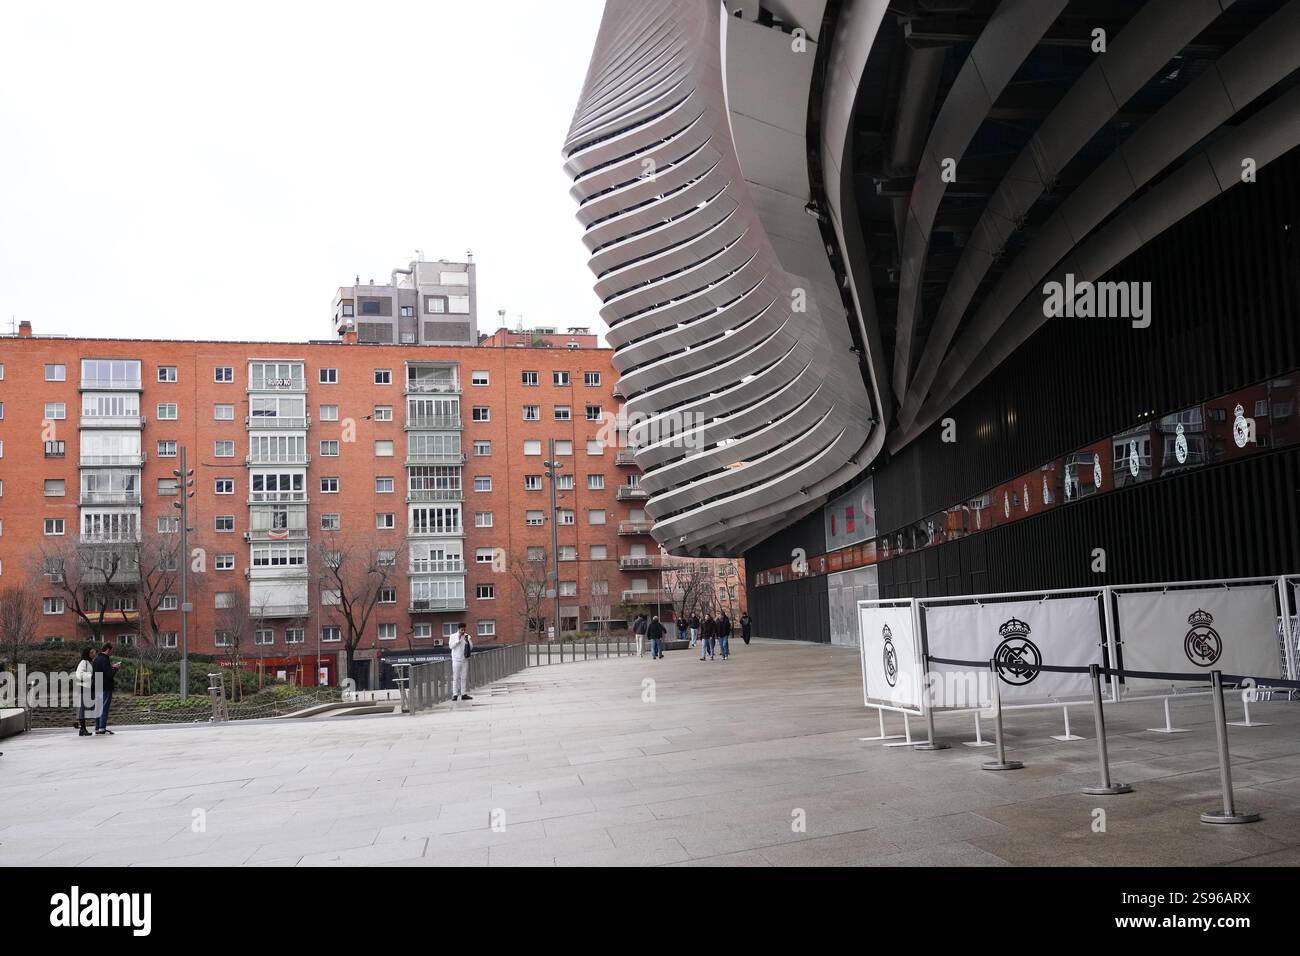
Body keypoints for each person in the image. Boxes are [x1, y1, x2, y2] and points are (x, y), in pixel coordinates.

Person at [91, 643, 120, 735]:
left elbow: (98, 673)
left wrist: (111, 667)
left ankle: (97, 728)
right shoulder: (104, 659)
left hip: (97, 684)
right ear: (108, 650)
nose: (112, 652)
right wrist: (115, 668)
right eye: (111, 651)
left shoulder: (96, 659)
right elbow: (109, 674)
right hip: (105, 686)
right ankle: (102, 728)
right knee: (104, 707)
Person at [449, 624, 473, 702]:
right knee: (456, 677)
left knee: (464, 677)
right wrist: (458, 640)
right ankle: (455, 694)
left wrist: (468, 641)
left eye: (464, 630)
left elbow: (471, 647)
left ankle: (463, 694)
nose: (463, 631)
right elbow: (451, 646)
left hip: (464, 659)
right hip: (456, 659)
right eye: (461, 630)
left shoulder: (467, 636)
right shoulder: (453, 636)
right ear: (458, 629)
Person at [74, 648, 94, 737]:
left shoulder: (89, 662)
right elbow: (79, 674)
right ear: (87, 653)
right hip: (82, 687)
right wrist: (90, 676)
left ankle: (83, 728)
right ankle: (82, 728)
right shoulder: (83, 662)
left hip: (87, 688)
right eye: (92, 652)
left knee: (84, 708)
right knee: (82, 709)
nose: (94, 654)